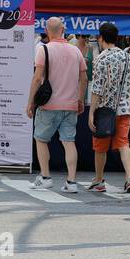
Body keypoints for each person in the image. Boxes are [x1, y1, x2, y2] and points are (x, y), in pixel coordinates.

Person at [26, 16, 88, 193]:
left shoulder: (43, 50)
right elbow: (84, 78)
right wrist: (80, 99)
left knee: (41, 139)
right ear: (63, 30)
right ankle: (71, 181)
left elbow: (38, 78)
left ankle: (45, 177)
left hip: (48, 105)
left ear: (47, 31)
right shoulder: (75, 51)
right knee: (69, 141)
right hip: (70, 105)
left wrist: (30, 102)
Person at [88, 23, 130, 194]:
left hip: (105, 110)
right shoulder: (127, 57)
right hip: (124, 109)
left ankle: (99, 180)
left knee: (100, 146)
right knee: (124, 143)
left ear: (101, 38)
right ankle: (129, 178)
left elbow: (97, 88)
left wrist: (91, 111)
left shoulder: (101, 59)